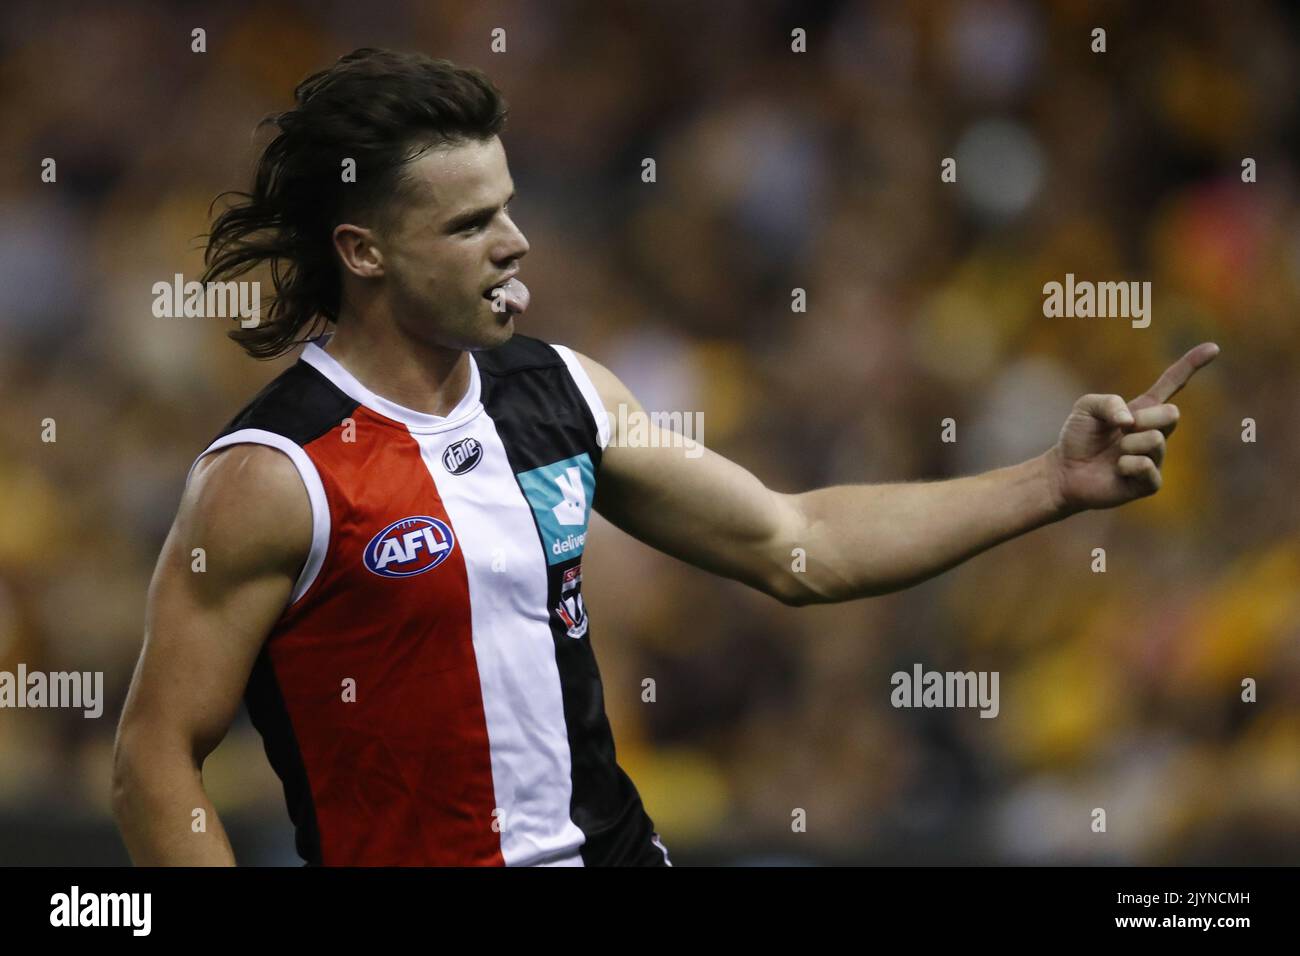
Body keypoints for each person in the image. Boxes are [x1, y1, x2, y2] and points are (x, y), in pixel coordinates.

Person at [111, 48, 1218, 866]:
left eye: (509, 208)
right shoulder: (272, 474)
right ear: (363, 251)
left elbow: (798, 544)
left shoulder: (563, 392)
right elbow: (155, 759)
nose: (515, 242)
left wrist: (1048, 483)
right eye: (468, 226)